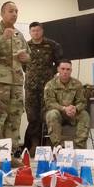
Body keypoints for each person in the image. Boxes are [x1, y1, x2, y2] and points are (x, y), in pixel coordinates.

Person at [0, 1, 27, 145]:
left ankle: (11, 155)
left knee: (14, 119)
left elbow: (28, 55)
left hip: (17, 83)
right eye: (11, 11)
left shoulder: (19, 34)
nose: (14, 14)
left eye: (16, 11)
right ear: (2, 13)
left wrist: (26, 58)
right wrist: (3, 38)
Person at [22, 21, 63, 155]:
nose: (36, 33)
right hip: (31, 87)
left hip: (47, 87)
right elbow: (23, 66)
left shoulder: (52, 45)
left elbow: (60, 63)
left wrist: (50, 74)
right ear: (30, 32)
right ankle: (34, 144)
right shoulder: (25, 46)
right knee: (32, 116)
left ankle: (48, 144)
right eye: (33, 31)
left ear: (42, 31)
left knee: (47, 115)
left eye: (38, 30)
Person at [43, 60, 90, 148]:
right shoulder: (50, 85)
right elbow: (49, 103)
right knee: (52, 114)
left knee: (84, 115)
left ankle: (79, 146)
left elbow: (82, 102)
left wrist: (75, 108)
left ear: (71, 71)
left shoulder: (77, 84)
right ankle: (58, 147)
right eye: (63, 69)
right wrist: (64, 108)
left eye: (68, 69)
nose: (65, 72)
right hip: (58, 114)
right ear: (58, 69)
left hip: (72, 114)